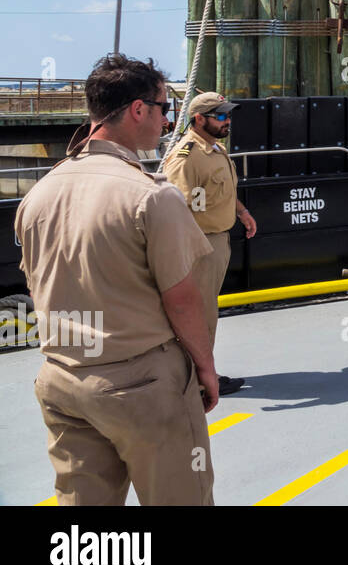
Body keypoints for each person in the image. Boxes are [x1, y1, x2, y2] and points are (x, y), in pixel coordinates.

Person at [15, 54, 219, 505]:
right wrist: (205, 368)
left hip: (62, 381)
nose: (168, 122)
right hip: (141, 386)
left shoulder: (39, 194)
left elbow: (38, 286)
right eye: (165, 109)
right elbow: (182, 299)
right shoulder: (152, 197)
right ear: (138, 110)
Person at [162, 91, 257, 396]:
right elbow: (175, 209)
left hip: (217, 241)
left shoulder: (214, 149)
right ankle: (200, 381)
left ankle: (202, 374)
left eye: (228, 115)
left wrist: (240, 211)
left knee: (207, 312)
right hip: (198, 247)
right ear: (199, 119)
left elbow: (216, 193)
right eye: (220, 116)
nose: (227, 121)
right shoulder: (187, 157)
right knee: (199, 315)